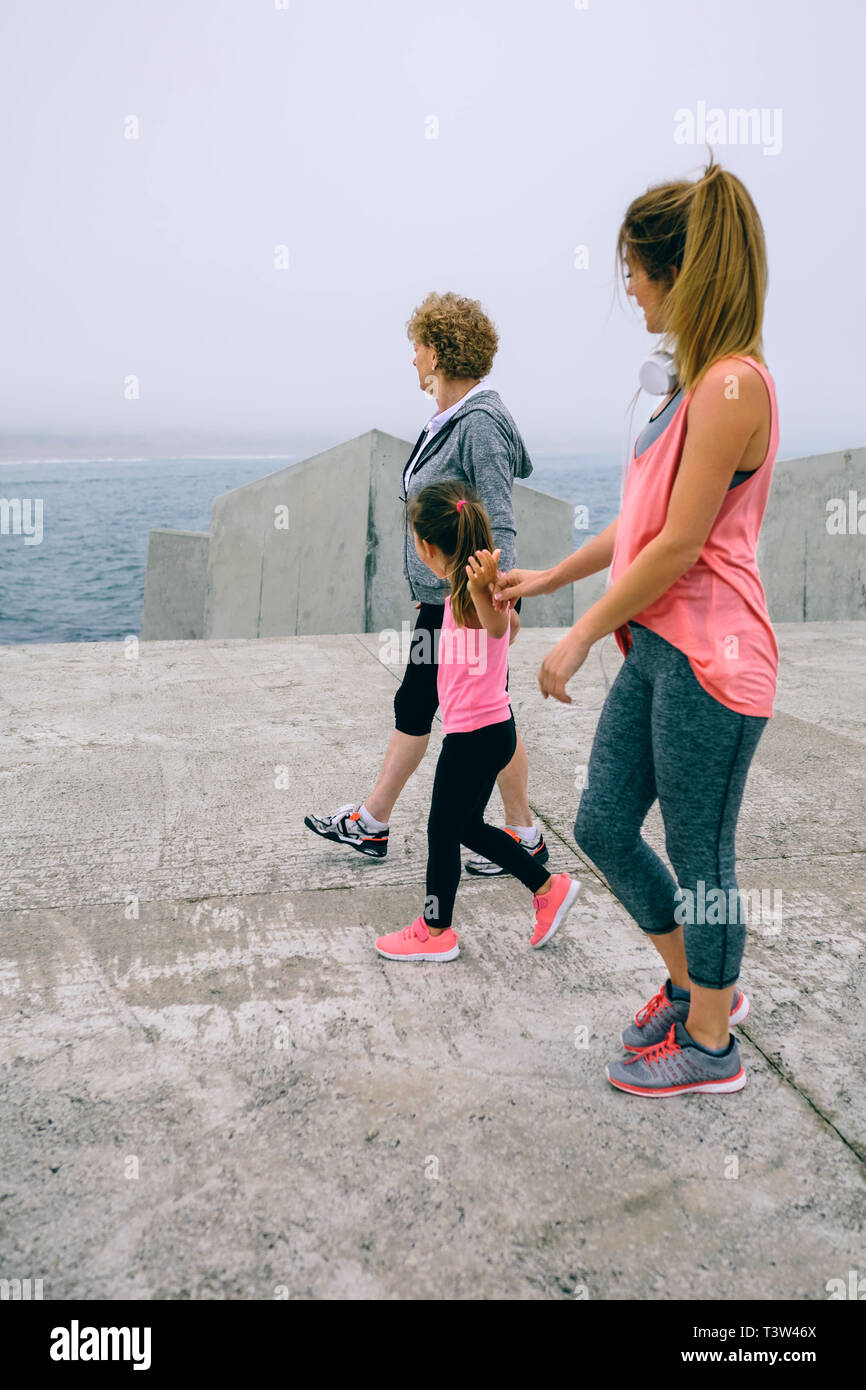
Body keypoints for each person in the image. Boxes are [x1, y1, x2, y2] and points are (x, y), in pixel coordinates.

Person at [497, 159, 778, 1097]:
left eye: (634, 270)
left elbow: (679, 547)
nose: (629, 288)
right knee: (605, 824)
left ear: (679, 272)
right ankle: (697, 984)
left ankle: (711, 1045)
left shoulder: (735, 385)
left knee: (702, 854)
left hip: (714, 658)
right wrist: (552, 577)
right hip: (659, 648)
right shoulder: (690, 384)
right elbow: (639, 526)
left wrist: (579, 634)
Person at [305, 291, 548, 874]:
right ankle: (384, 821)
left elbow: (499, 514)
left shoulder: (481, 424)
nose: (412, 358)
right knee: (435, 705)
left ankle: (509, 833)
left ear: (437, 351)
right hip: (443, 598)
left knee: (471, 712)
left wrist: (498, 598)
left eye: (417, 347)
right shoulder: (449, 419)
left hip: (464, 604)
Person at [375, 482, 580, 961]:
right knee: (464, 827)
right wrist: (480, 598)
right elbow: (504, 632)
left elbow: (492, 627)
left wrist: (481, 595)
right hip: (493, 732)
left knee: (441, 832)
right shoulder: (470, 596)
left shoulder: (474, 596)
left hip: (473, 738)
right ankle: (547, 888)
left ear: (427, 548)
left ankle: (434, 930)